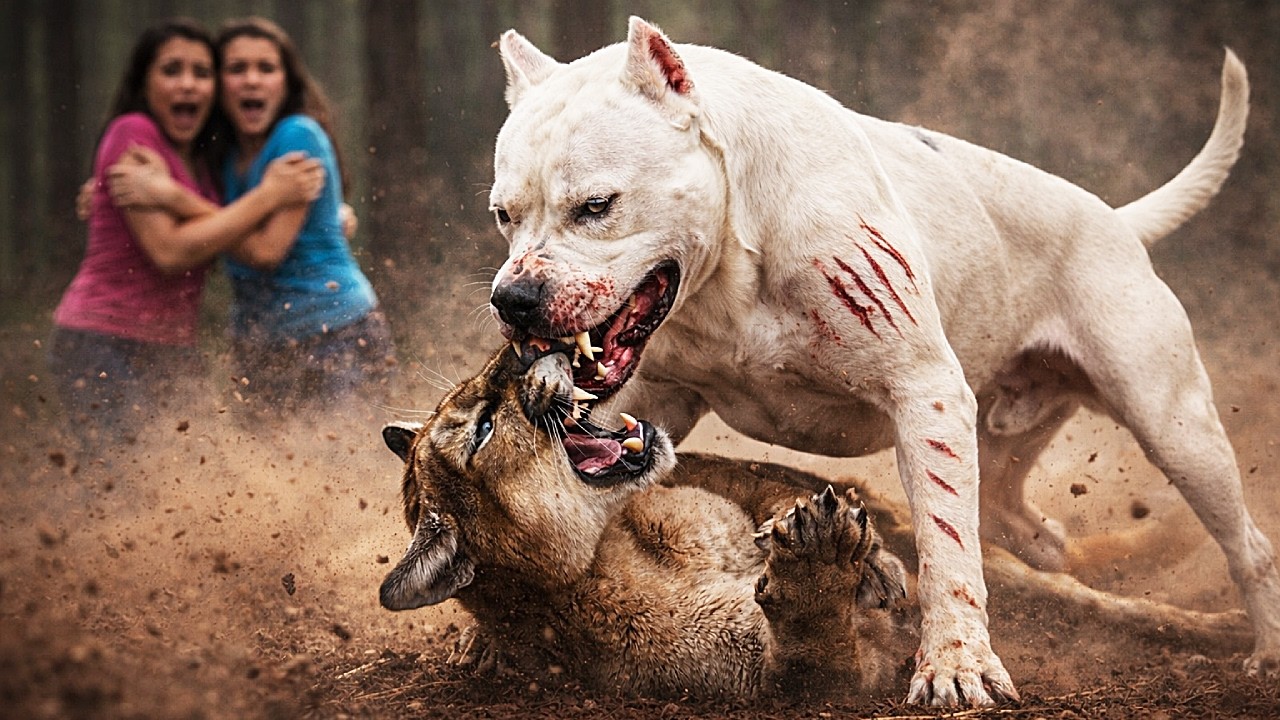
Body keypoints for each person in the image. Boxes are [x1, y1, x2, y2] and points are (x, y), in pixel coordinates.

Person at [49, 18, 324, 459]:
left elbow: (224, 228)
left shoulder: (203, 159)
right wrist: (270, 195)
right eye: (171, 71)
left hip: (175, 349)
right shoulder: (132, 134)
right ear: (144, 81)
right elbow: (170, 251)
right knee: (124, 481)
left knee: (190, 478)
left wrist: (329, 215)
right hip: (103, 340)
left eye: (201, 73)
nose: (188, 86)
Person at [110, 17, 396, 421]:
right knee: (274, 476)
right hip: (258, 346)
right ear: (219, 84)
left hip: (337, 332)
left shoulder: (298, 134)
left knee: (340, 468)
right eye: (237, 68)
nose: (252, 81)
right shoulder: (220, 157)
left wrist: (171, 195)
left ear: (286, 81)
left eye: (266, 68)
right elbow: (216, 224)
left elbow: (266, 250)